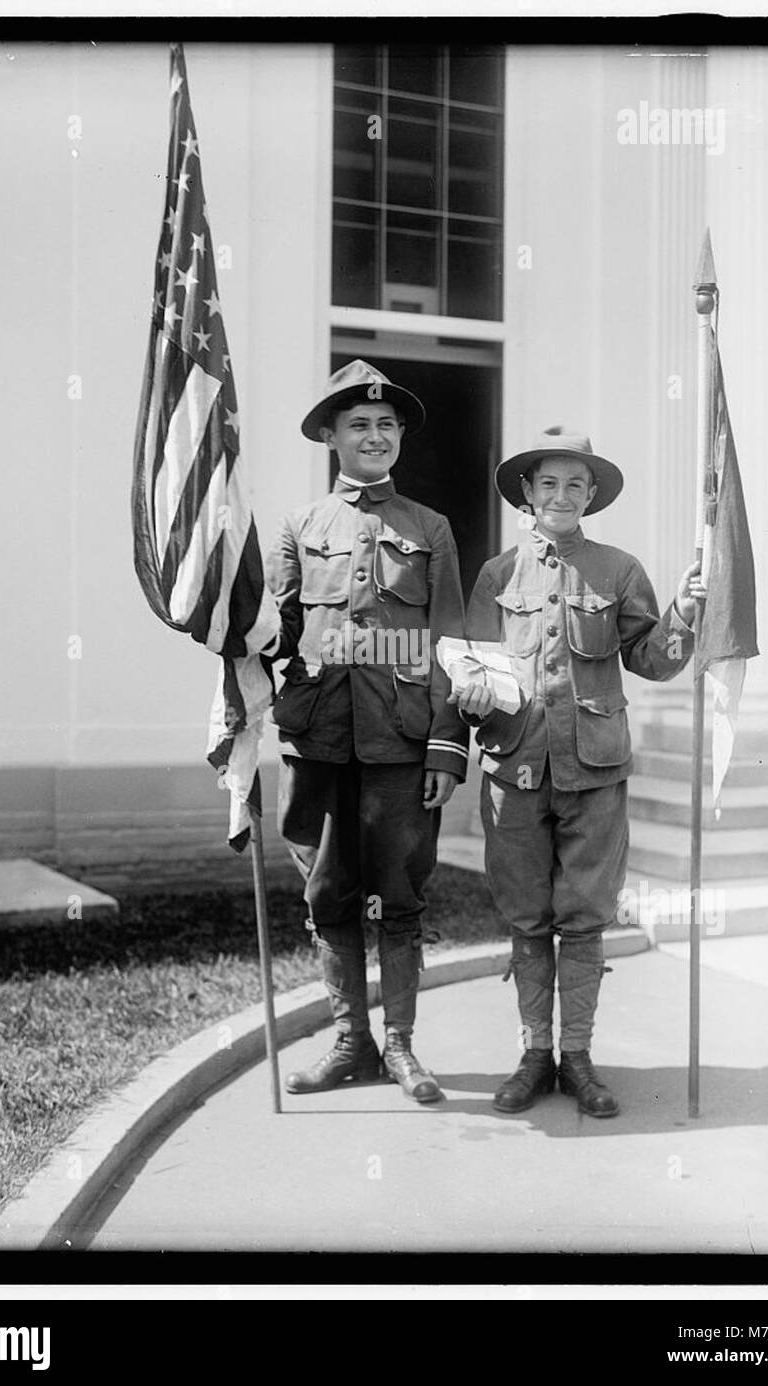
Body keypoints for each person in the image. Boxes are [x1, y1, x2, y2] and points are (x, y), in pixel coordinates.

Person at [452, 427, 706, 1117]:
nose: (559, 496)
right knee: (527, 919)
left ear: (589, 496)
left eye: (574, 485)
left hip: (593, 770)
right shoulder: (496, 576)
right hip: (514, 769)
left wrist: (683, 610)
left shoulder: (618, 569)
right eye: (547, 484)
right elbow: (472, 665)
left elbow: (651, 660)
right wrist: (468, 700)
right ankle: (535, 1055)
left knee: (584, 918)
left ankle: (579, 1057)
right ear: (525, 497)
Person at [265, 359, 469, 1103]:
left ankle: (403, 1048)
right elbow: (278, 630)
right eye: (358, 425)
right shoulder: (299, 526)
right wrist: (236, 629)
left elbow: (449, 643)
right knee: (328, 895)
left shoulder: (429, 528)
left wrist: (448, 745)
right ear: (330, 437)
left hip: (400, 743)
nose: (374, 436)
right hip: (316, 739)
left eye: (386, 426)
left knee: (401, 896)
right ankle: (352, 1042)